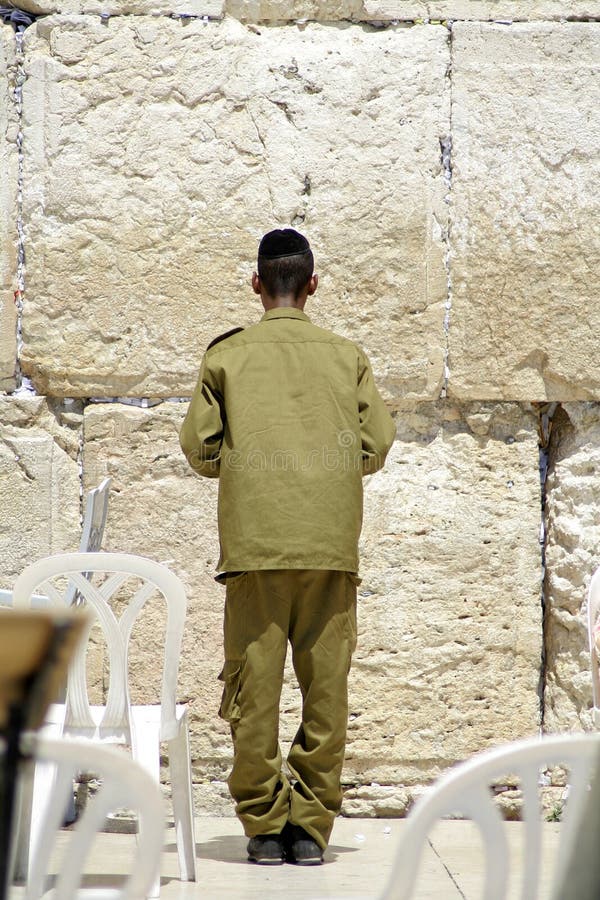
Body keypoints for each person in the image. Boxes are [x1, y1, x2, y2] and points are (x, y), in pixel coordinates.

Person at [180, 228, 395, 866]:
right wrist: (323, 472)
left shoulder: (226, 356)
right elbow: (375, 443)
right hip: (331, 546)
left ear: (256, 284)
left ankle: (264, 825)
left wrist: (251, 471)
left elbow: (199, 449)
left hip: (255, 550)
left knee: (254, 694)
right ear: (312, 284)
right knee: (326, 692)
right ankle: (311, 829)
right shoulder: (345, 354)